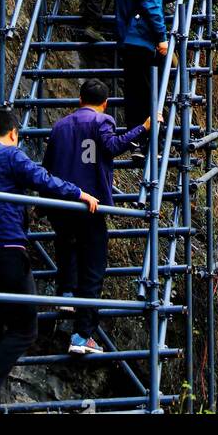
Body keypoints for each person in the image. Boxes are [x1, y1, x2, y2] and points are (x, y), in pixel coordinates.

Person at [0, 106, 97, 416]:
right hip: (6, 247)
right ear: (13, 133)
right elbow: (41, 179)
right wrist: (78, 192)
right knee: (25, 326)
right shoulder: (9, 155)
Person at [44, 80, 150, 355]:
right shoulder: (102, 120)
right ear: (105, 103)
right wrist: (143, 128)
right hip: (88, 205)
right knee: (93, 268)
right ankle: (81, 336)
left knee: (66, 247)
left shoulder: (60, 126)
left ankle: (66, 293)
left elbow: (47, 165)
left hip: (59, 201)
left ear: (79, 99)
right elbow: (112, 146)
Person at [116, 0, 197, 131]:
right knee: (143, 93)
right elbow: (151, 5)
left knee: (140, 91)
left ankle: (141, 140)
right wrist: (161, 38)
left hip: (136, 39)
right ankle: (144, 141)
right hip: (139, 40)